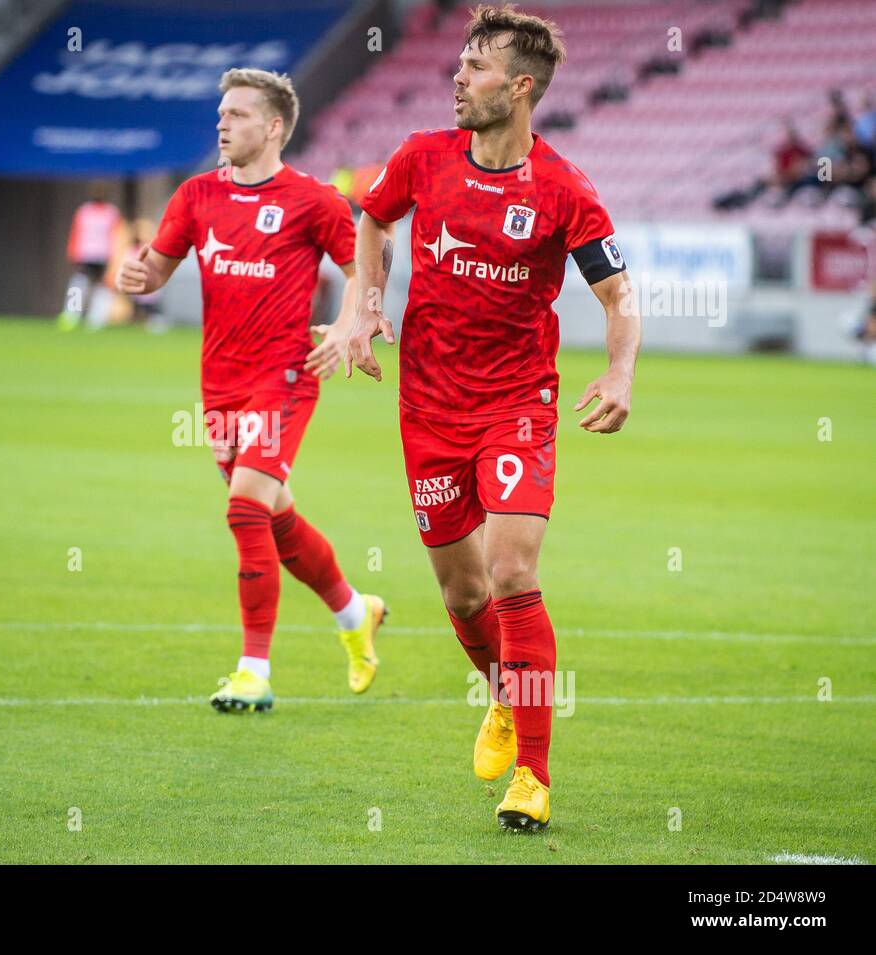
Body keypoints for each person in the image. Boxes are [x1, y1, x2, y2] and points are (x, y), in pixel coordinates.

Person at [313, 3, 641, 831]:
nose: (457, 76)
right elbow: (373, 217)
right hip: (426, 405)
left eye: (477, 67)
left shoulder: (564, 189)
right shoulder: (423, 157)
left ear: (521, 86)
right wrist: (361, 305)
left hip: (516, 407)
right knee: (463, 598)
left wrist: (621, 369)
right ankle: (503, 694)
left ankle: (533, 773)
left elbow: (617, 292)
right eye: (459, 62)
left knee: (512, 573)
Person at [117, 68, 387, 713]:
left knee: (244, 510)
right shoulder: (196, 195)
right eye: (221, 114)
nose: (222, 123)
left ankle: (253, 672)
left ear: (272, 128)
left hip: (286, 376)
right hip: (219, 383)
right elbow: (157, 267)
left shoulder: (312, 200)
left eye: (237, 114)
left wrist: (350, 324)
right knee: (274, 517)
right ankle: (355, 611)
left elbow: (363, 269)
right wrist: (139, 274)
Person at [59, 184, 121, 331]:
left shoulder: (111, 213)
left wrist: (116, 256)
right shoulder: (84, 211)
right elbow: (77, 231)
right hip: (86, 252)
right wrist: (72, 250)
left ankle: (96, 319)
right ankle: (71, 315)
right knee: (79, 283)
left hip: (104, 254)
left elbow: (117, 235)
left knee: (103, 287)